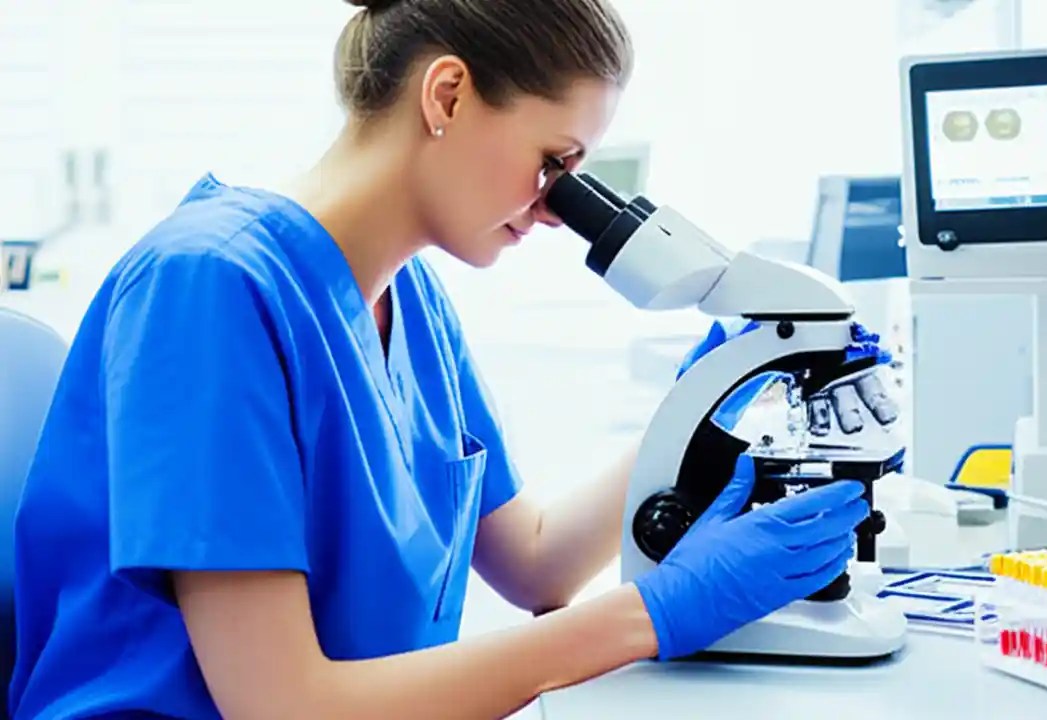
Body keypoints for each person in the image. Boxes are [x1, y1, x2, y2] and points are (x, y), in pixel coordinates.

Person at [8, 1, 871, 717]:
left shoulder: (409, 296)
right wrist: (652, 614)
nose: (556, 210)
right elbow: (283, 705)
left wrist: (705, 401)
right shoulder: (208, 286)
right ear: (448, 95)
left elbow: (535, 561)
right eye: (554, 164)